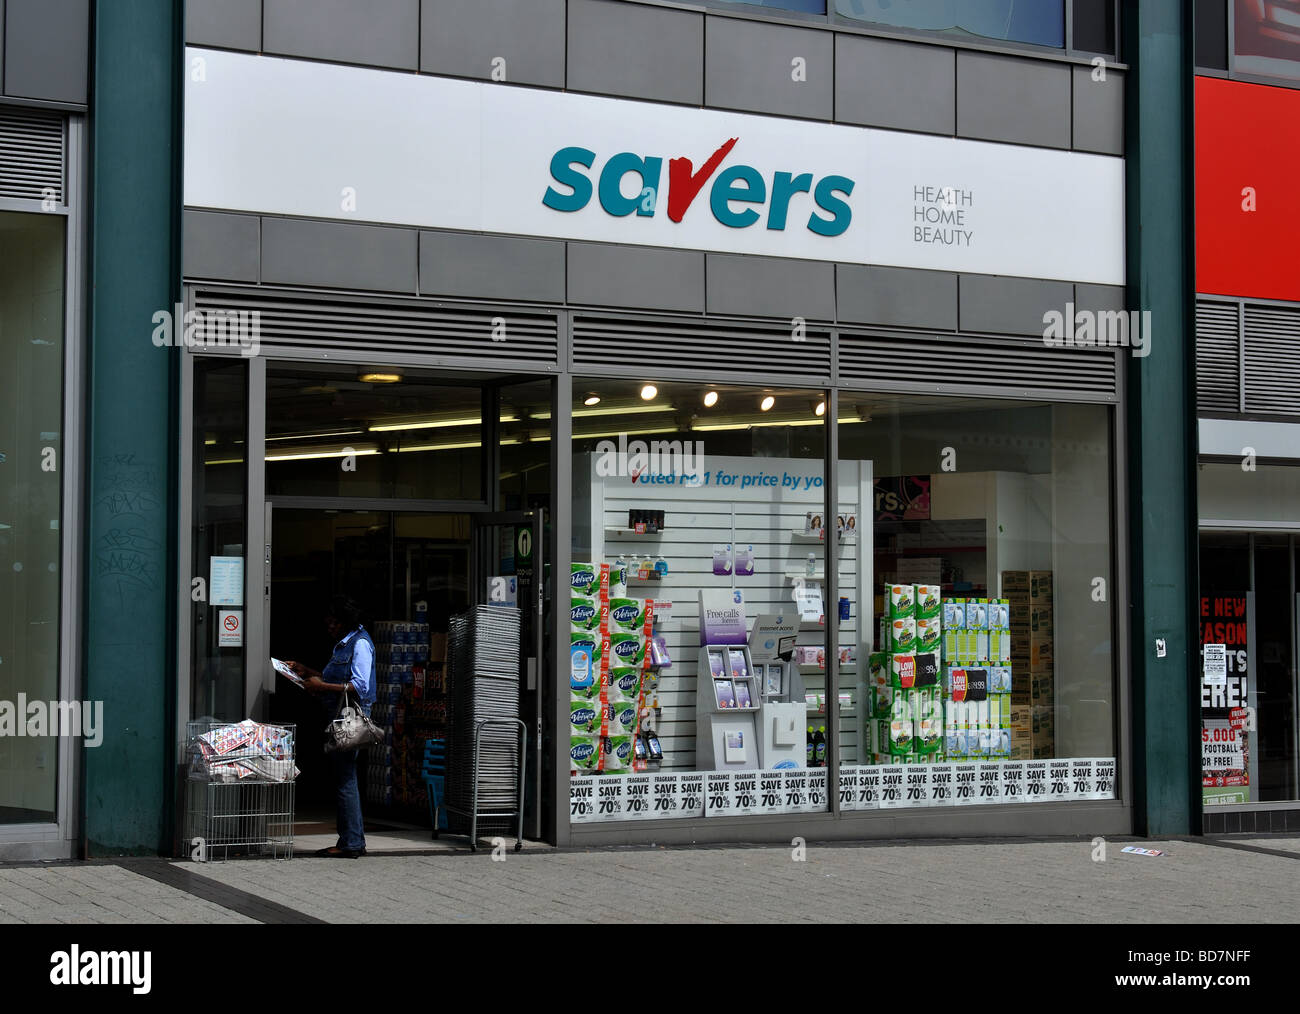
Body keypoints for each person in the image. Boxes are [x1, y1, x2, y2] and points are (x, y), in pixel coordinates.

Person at [287, 595, 376, 858]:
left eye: (333, 623)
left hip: (351, 716)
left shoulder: (360, 644)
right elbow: (337, 677)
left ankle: (350, 843)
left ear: (345, 622)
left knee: (345, 777)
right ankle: (352, 840)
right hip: (340, 715)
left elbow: (360, 686)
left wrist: (321, 686)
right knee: (343, 776)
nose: (329, 628)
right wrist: (306, 671)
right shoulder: (345, 644)